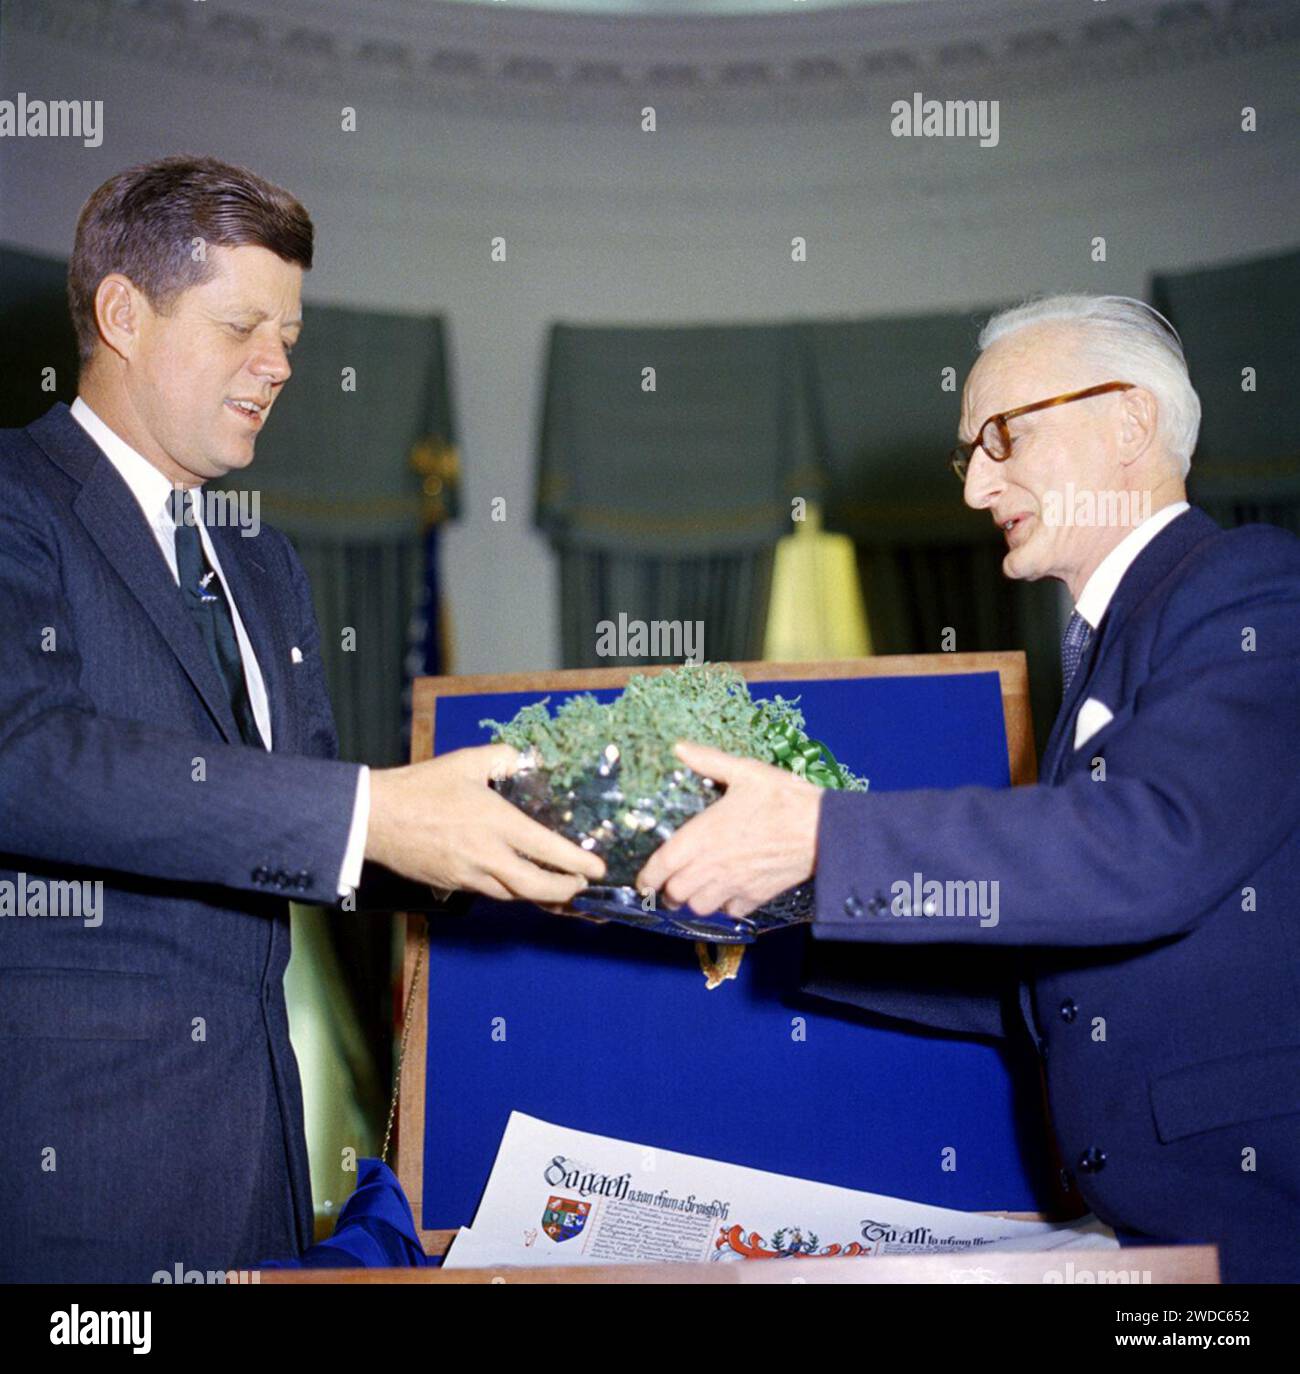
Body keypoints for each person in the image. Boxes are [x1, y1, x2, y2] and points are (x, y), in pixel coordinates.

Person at [0, 155, 604, 1283]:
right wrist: (375, 812)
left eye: (287, 334)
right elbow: (24, 760)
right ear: (123, 314)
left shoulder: (262, 563)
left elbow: (311, 835)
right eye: (241, 328)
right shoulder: (12, 498)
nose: (278, 365)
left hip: (259, 1158)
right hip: (68, 1165)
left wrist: (513, 842)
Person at [639, 294, 1300, 1283]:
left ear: (1130, 422)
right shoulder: (1107, 642)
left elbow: (1156, 842)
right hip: (1161, 1239)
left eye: (1004, 437)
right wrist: (780, 920)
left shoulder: (1245, 582)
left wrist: (821, 838)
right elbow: (1048, 982)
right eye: (969, 453)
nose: (975, 487)